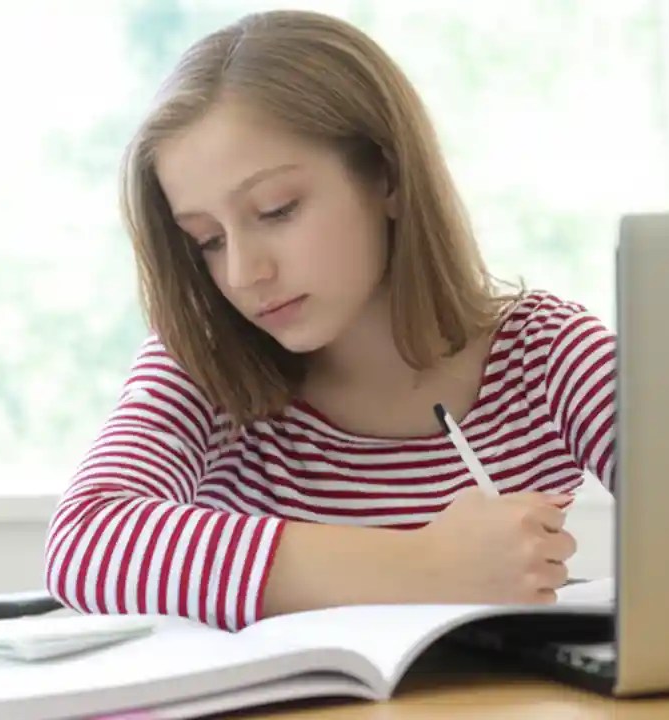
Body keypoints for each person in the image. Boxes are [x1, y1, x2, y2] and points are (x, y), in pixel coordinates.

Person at [43, 9, 616, 632]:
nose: (242, 272)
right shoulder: (204, 361)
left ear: (388, 176)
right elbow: (86, 541)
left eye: (276, 209)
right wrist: (424, 567)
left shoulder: (546, 354)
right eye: (207, 240)